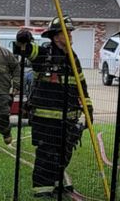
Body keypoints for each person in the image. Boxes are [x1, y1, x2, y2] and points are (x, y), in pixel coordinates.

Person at [15, 16, 93, 198]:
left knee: (64, 153)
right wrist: (22, 38)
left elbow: (82, 86)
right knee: (47, 154)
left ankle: (57, 184)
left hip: (69, 118)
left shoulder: (73, 58)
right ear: (56, 36)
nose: (71, 36)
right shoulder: (44, 54)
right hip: (46, 120)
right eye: (67, 32)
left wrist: (88, 108)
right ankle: (42, 190)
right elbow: (25, 49)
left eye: (71, 32)